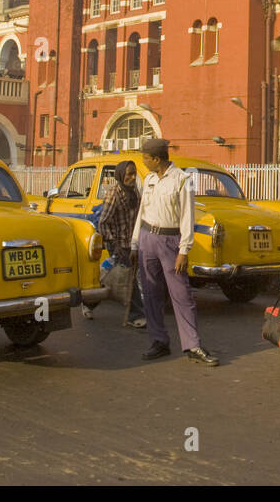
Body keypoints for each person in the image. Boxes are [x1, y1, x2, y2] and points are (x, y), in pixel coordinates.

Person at [131, 139, 219, 366]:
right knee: (150, 294)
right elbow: (142, 212)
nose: (144, 162)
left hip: (171, 242)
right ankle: (159, 340)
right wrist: (135, 243)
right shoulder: (149, 179)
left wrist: (184, 249)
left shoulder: (183, 180)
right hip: (147, 238)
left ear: (157, 159)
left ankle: (192, 344)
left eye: (146, 158)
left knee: (181, 294)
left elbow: (187, 217)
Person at [93, 159, 145, 327]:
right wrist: (113, 243)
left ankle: (89, 302)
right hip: (117, 243)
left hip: (131, 243)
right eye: (129, 174)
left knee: (114, 279)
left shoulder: (135, 193)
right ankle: (135, 315)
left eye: (134, 174)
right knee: (129, 278)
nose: (132, 177)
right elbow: (103, 222)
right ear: (121, 175)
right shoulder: (113, 193)